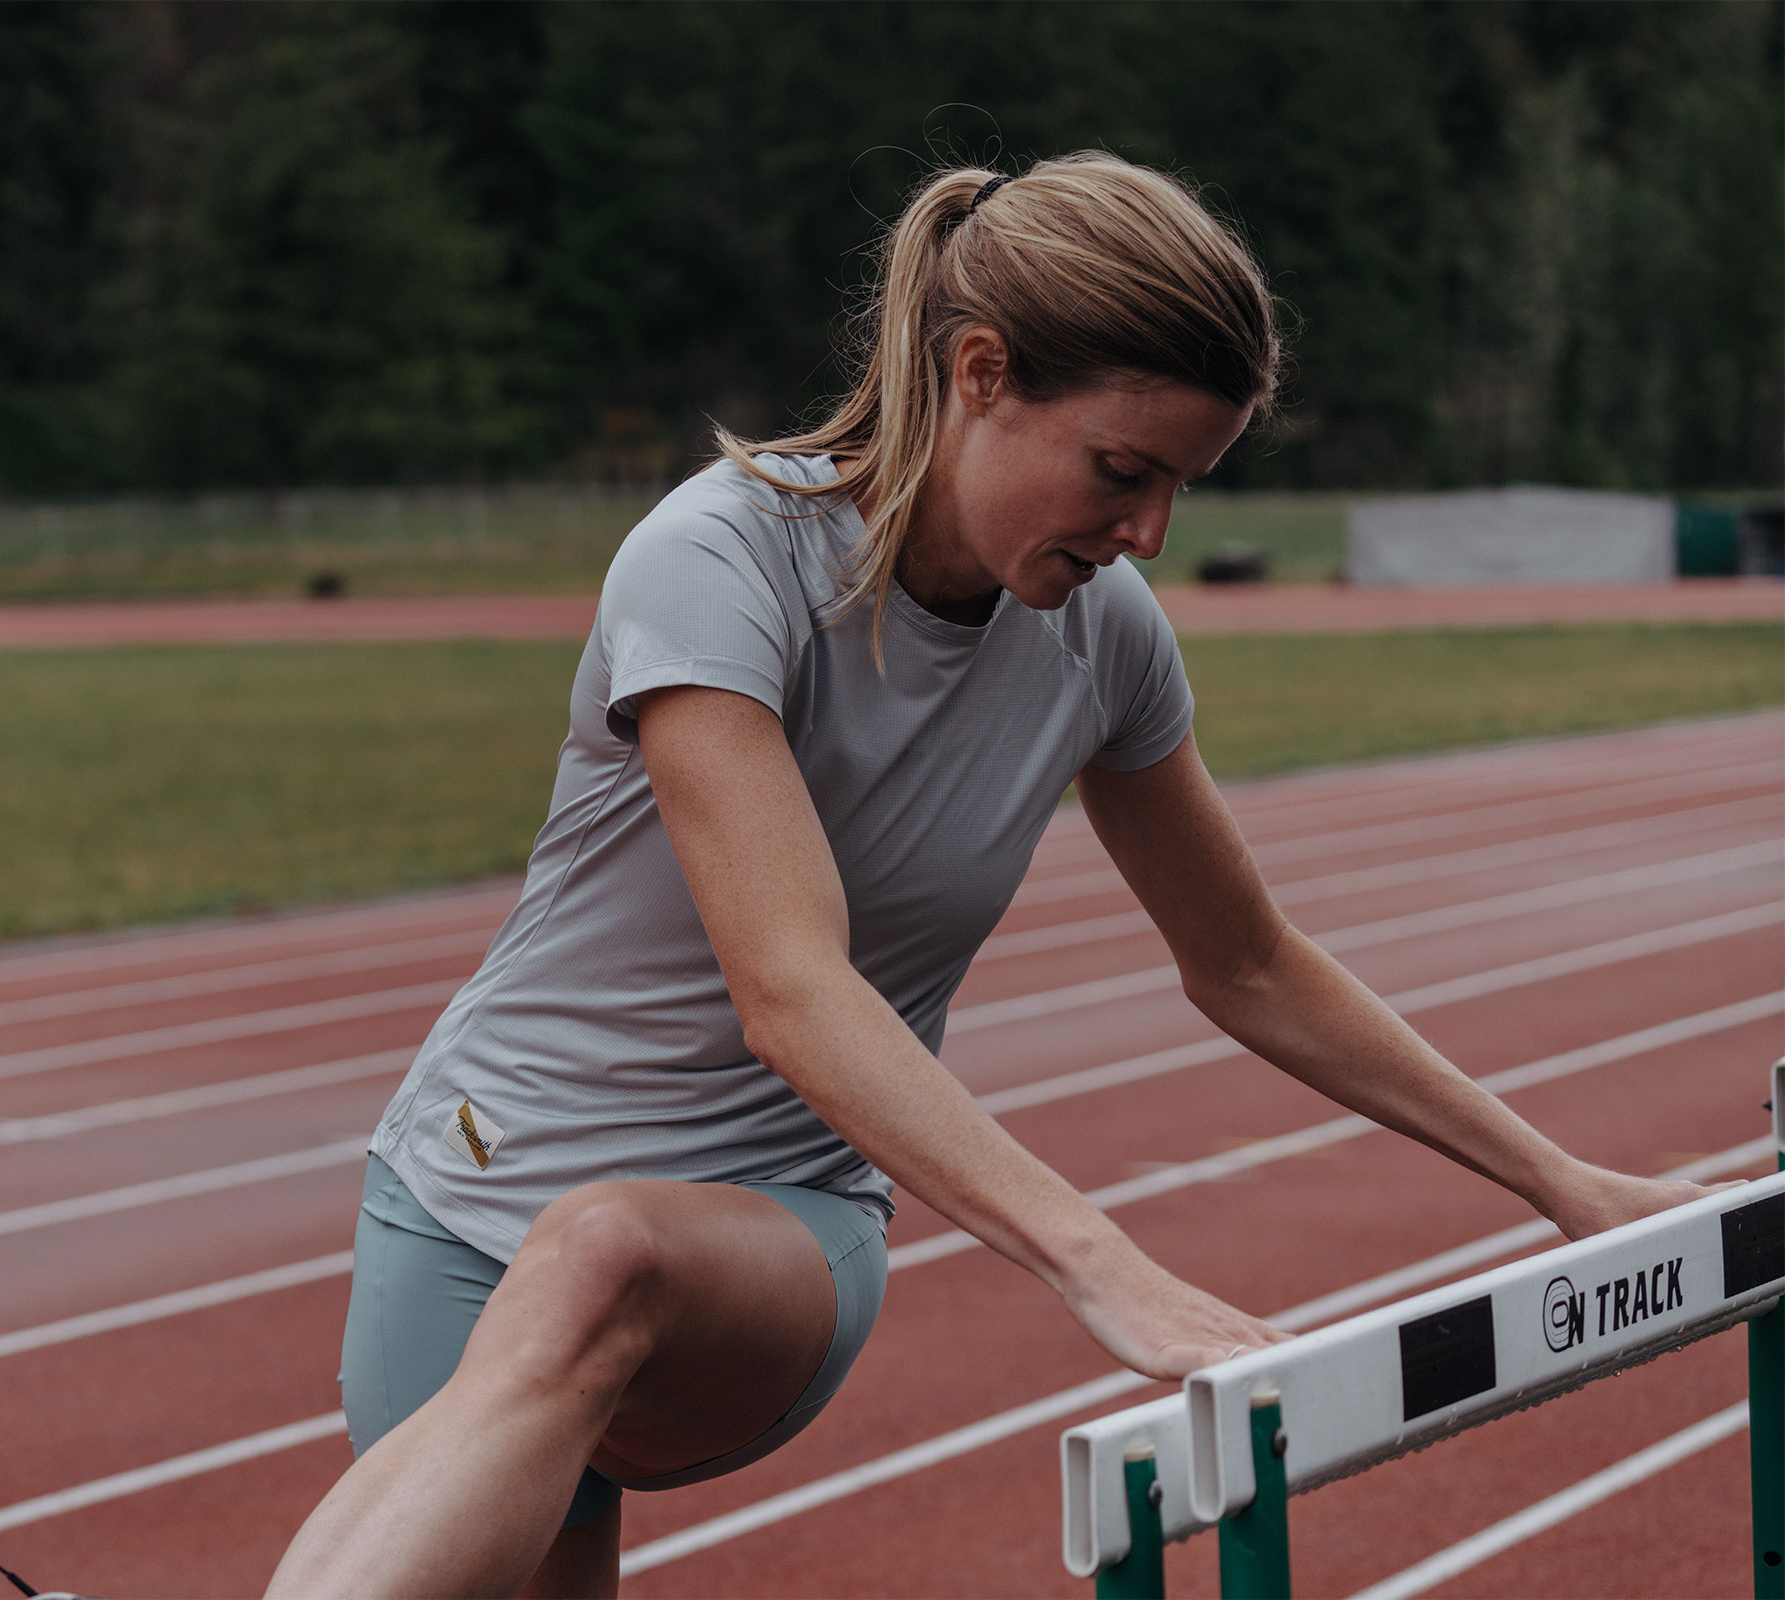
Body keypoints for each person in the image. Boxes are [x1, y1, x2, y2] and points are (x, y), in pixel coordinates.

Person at [264, 154, 1721, 1599]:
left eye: (1180, 493)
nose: (1145, 535)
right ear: (978, 371)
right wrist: (1103, 1263)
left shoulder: (1107, 637)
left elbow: (1250, 963)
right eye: (1120, 472)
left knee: (601, 1257)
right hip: (461, 1203)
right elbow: (791, 983)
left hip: (772, 1214)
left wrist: (1562, 1183)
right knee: (562, 1306)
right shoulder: (718, 560)